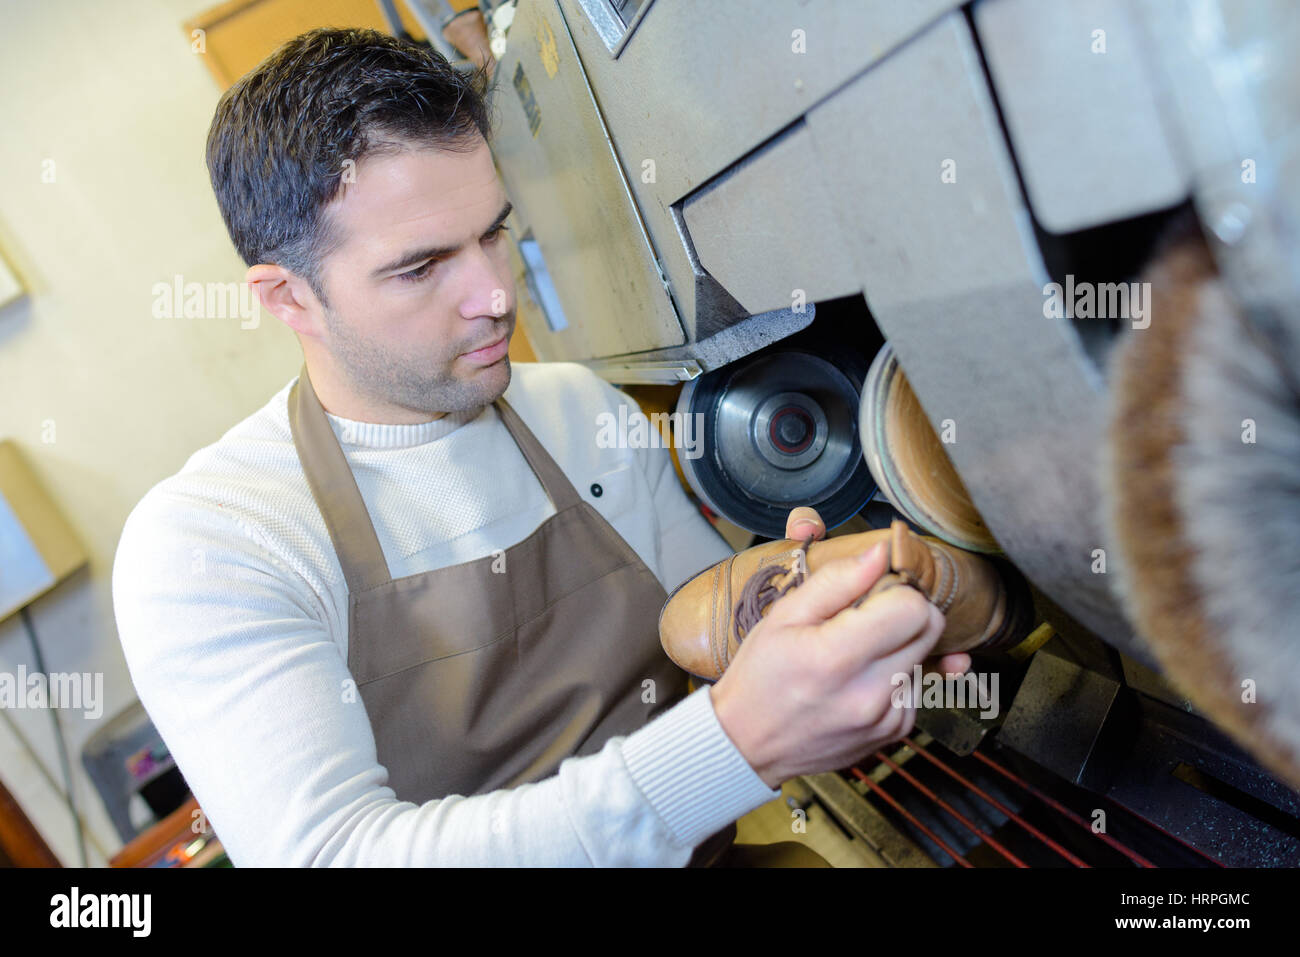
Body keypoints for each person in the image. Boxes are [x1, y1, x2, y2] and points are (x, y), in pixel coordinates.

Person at [111, 27, 969, 866]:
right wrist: (735, 744)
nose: (492, 294)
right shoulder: (216, 541)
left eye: (493, 233)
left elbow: (702, 616)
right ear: (287, 297)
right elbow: (336, 852)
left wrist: (818, 613)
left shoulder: (573, 408)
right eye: (421, 267)